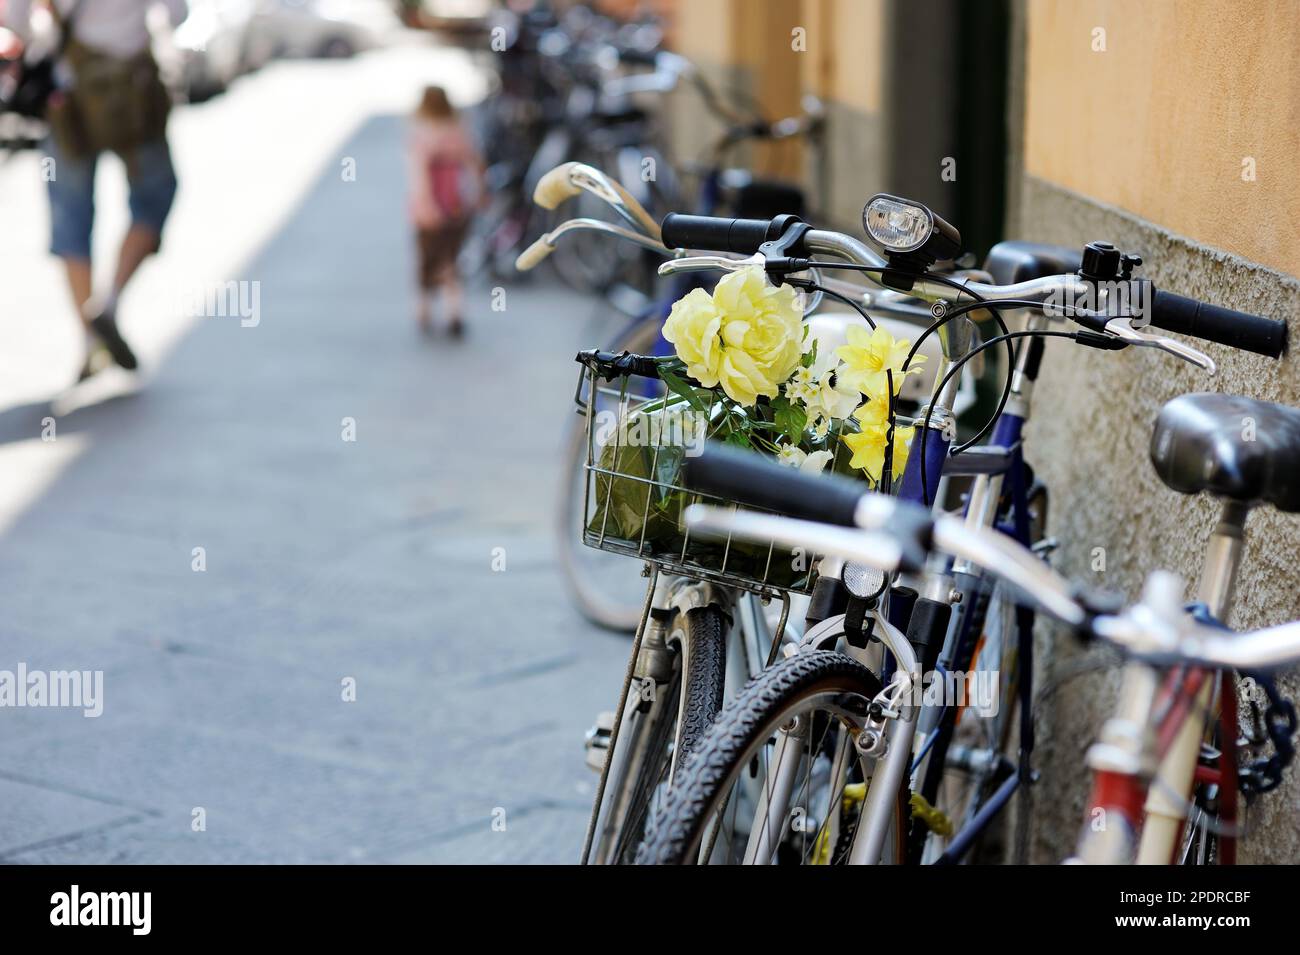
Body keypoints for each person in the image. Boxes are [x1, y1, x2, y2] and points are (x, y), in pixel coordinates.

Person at [4, 0, 188, 380]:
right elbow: (176, 13)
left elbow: (18, 21)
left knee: (71, 217)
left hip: (68, 95)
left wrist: (50, 29)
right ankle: (109, 302)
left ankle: (89, 341)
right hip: (132, 90)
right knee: (156, 194)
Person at [406, 85, 482, 338]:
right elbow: (474, 164)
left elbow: (420, 177)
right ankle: (454, 310)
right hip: (456, 204)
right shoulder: (458, 132)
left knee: (427, 260)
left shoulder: (422, 134)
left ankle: (425, 310)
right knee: (450, 259)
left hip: (428, 208)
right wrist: (480, 192)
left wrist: (426, 205)